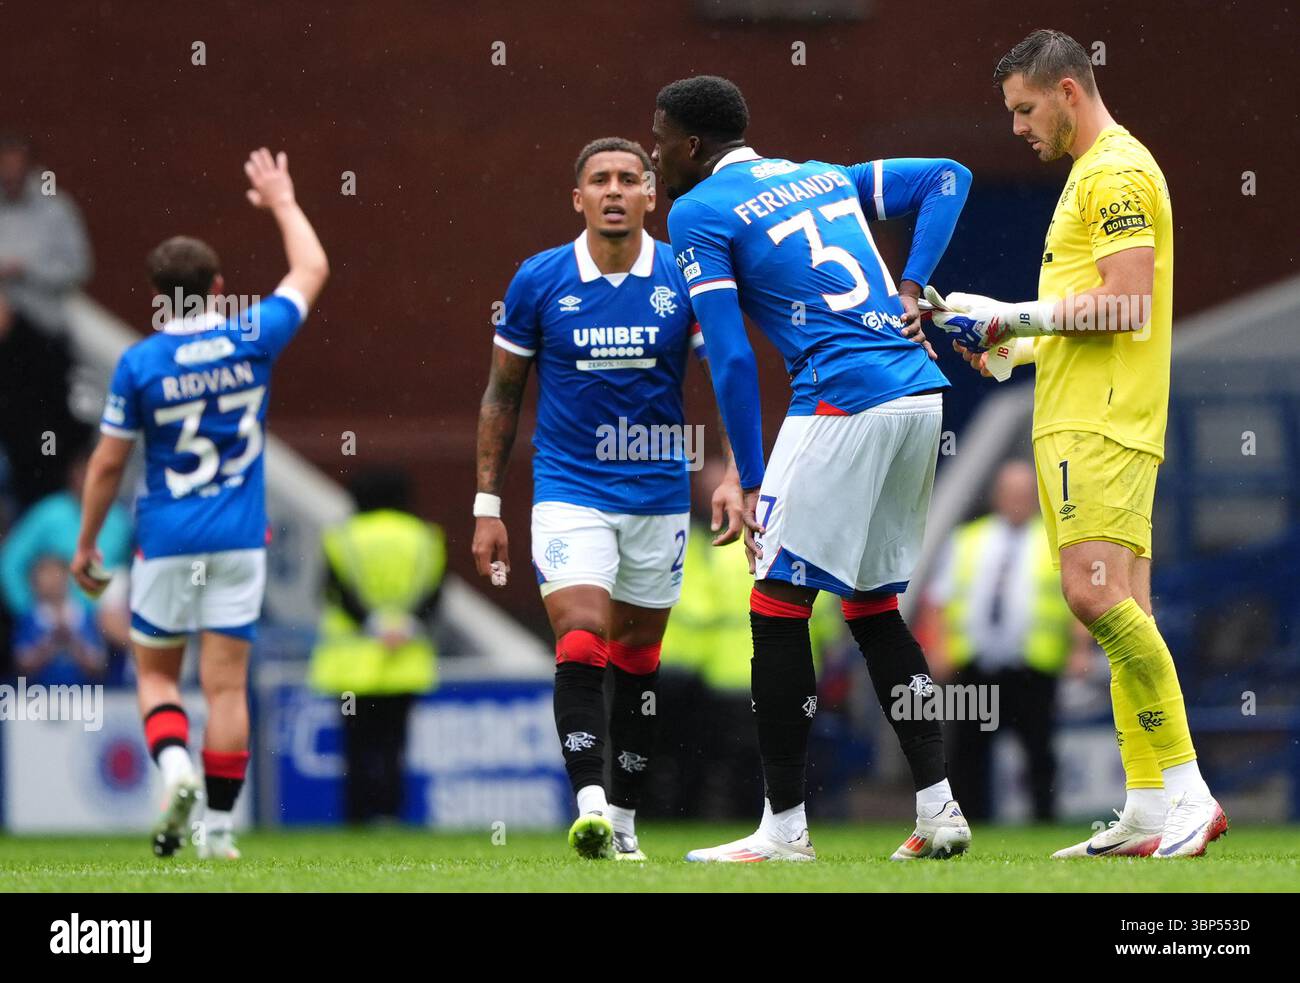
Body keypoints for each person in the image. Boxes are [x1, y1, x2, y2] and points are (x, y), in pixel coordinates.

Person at [915, 29, 1225, 859]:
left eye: (1024, 109)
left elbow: (1127, 303)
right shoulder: (1089, 177)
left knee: (1093, 598)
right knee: (1123, 610)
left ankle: (1190, 789)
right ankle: (1150, 801)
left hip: (1104, 422)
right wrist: (1010, 341)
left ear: (1068, 92)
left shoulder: (1117, 172)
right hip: (1084, 413)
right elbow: (1081, 318)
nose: (1017, 128)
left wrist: (1015, 316)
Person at [652, 75, 973, 862]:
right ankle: (939, 809)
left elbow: (727, 351)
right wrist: (911, 288)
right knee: (869, 606)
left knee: (777, 599)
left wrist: (752, 473)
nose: (653, 154)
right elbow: (949, 177)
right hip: (917, 396)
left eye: (658, 139)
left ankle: (784, 829)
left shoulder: (698, 211)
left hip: (841, 399)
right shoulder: (822, 175)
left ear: (692, 145)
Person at [472, 137, 742, 861]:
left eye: (630, 178)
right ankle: (589, 799)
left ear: (653, 195)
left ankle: (622, 820)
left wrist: (731, 470)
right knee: (583, 633)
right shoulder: (539, 279)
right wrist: (486, 505)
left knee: (638, 659)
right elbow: (503, 392)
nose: (615, 190)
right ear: (579, 197)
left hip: (656, 494)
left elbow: (727, 372)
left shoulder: (685, 276)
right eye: (600, 180)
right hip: (570, 487)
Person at [71, 148, 329, 860]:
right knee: (226, 689)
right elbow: (311, 270)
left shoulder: (140, 363)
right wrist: (279, 198)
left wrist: (88, 545)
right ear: (218, 288)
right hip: (241, 538)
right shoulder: (253, 335)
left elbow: (107, 463)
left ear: (157, 294)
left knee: (156, 675)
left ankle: (176, 769)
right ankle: (218, 830)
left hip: (167, 537)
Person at [918, 459, 1079, 821]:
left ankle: (1045, 821)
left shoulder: (1055, 545)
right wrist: (939, 648)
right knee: (968, 751)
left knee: (1039, 749)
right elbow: (939, 599)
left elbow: (1076, 602)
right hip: (977, 664)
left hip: (1034, 666)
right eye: (1010, 493)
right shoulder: (967, 539)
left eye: (1025, 493)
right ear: (997, 496)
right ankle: (966, 821)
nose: (1017, 501)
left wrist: (1079, 651)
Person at [309, 470, 445, 823]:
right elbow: (437, 594)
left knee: (355, 746)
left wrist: (373, 624)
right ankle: (390, 815)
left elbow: (331, 591)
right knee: (394, 744)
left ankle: (357, 816)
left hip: (351, 662)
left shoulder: (343, 537)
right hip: (405, 659)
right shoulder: (425, 537)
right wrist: (406, 624)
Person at [0, 133, 92, 508]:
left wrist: (26, 270)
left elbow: (78, 268)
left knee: (51, 438)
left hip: (44, 347)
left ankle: (49, 511)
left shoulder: (55, 208)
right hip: (6, 346)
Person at [0, 444, 132, 618]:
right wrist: (28, 610)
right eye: (83, 474)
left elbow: (128, 572)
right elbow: (10, 561)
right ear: (72, 475)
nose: (89, 482)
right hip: (51, 616)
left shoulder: (120, 520)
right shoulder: (49, 512)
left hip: (101, 621)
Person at [13, 555, 107, 686]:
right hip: (39, 696)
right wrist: (50, 642)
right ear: (34, 583)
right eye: (45, 576)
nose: (53, 583)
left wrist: (73, 641)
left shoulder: (84, 616)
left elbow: (98, 665)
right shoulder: (29, 619)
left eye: (56, 575)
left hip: (84, 696)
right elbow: (22, 665)